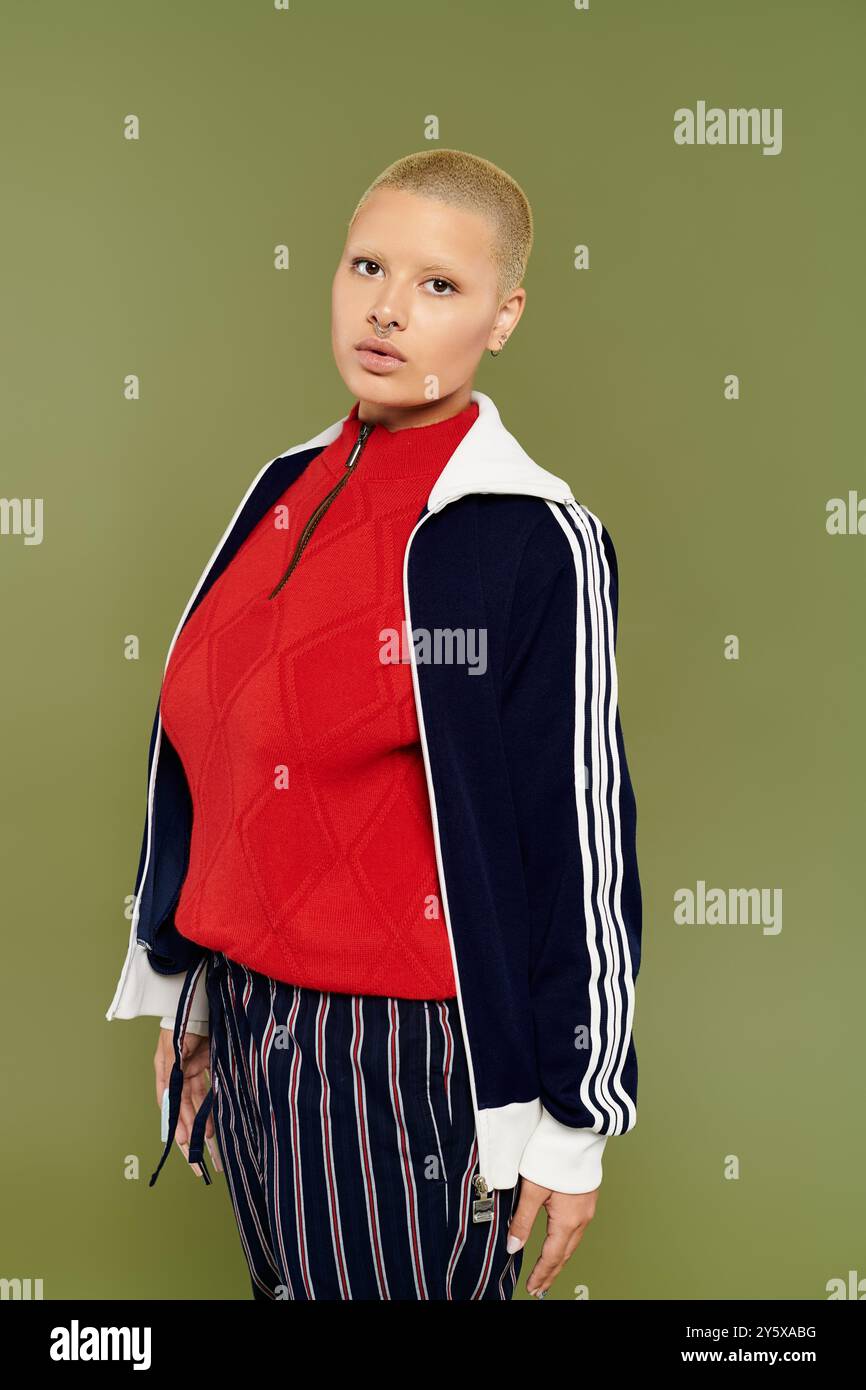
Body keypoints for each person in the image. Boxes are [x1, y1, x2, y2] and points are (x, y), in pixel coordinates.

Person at [106, 148, 643, 1301]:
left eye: (439, 286)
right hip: (244, 1013)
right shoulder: (284, 482)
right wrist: (185, 987)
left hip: (396, 1055)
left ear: (503, 317)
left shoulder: (525, 536)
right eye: (366, 266)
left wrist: (573, 1125)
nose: (388, 308)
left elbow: (578, 838)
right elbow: (220, 747)